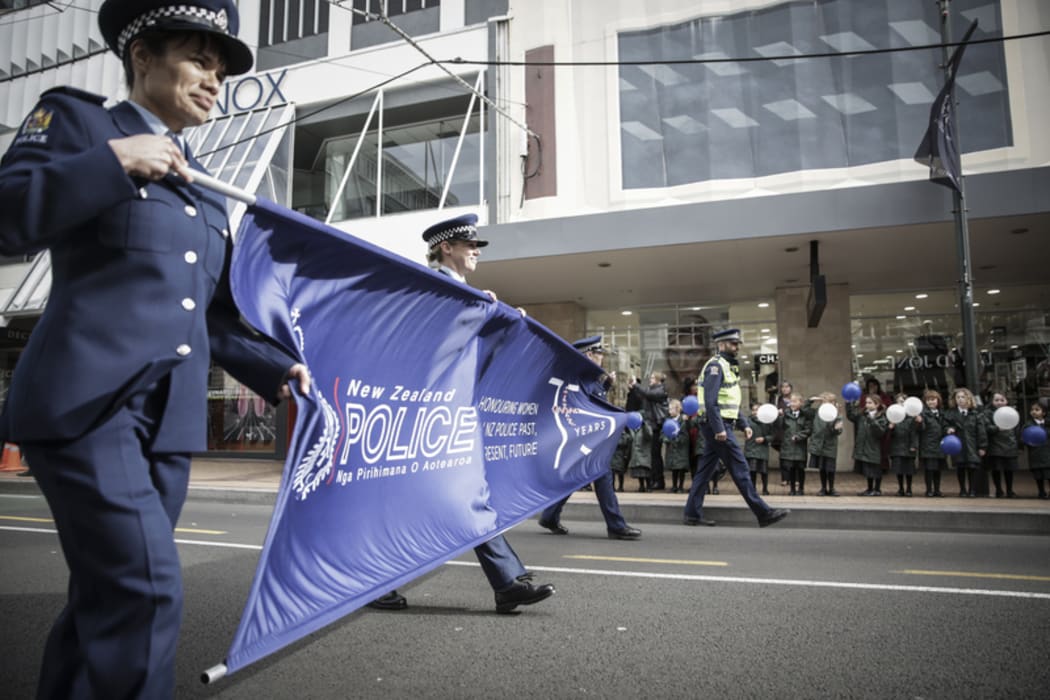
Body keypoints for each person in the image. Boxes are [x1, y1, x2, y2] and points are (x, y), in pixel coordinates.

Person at [0, 3, 312, 696]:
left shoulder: (203, 188)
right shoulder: (82, 124)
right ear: (142, 55)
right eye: (200, 59)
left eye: (221, 70)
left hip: (166, 425)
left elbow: (214, 318)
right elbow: (6, 217)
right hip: (88, 406)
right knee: (142, 590)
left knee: (106, 600)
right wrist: (112, 163)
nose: (214, 80)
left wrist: (279, 368)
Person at [370, 213, 556, 615]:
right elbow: (434, 343)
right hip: (425, 415)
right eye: (470, 245)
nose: (476, 251)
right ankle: (378, 580)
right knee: (434, 497)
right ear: (446, 247)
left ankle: (506, 584)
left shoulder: (465, 294)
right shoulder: (435, 288)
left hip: (451, 415)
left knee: (465, 495)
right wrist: (484, 314)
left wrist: (503, 323)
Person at [537, 335, 642, 540]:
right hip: (583, 438)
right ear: (588, 355)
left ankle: (550, 516)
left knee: (575, 477)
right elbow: (586, 408)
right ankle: (616, 526)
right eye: (599, 353)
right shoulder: (581, 378)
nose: (602, 357)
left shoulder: (588, 378)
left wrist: (606, 385)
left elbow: (593, 400)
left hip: (586, 439)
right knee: (602, 475)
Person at [683, 329, 789, 528]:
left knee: (704, 472)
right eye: (733, 344)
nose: (737, 347)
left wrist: (744, 424)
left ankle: (691, 514)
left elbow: (730, 402)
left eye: (737, 344)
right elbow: (711, 401)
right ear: (721, 345)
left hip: (720, 424)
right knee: (740, 467)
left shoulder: (728, 366)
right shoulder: (715, 366)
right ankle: (763, 513)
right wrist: (719, 429)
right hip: (717, 425)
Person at [629, 371, 670, 490]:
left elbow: (647, 394)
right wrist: (634, 388)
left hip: (656, 425)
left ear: (658, 380)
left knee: (655, 454)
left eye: (652, 378)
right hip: (650, 424)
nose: (650, 379)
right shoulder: (652, 390)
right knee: (651, 453)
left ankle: (658, 480)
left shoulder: (660, 390)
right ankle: (652, 479)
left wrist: (636, 385)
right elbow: (644, 396)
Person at [944, 387, 985, 498]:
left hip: (972, 445)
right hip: (957, 444)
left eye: (963, 397)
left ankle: (972, 490)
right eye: (958, 397)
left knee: (972, 467)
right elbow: (945, 425)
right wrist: (948, 429)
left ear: (968, 398)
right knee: (960, 467)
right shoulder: (950, 414)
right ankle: (962, 489)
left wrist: (982, 446)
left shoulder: (976, 414)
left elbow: (981, 431)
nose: (960, 399)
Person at [847, 394, 888, 496]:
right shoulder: (862, 414)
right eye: (866, 402)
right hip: (865, 445)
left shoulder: (882, 416)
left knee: (876, 469)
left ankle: (877, 489)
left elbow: (880, 432)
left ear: (877, 404)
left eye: (870, 403)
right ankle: (869, 488)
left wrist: (872, 421)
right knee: (868, 469)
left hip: (875, 447)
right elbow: (851, 416)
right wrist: (848, 404)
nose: (867, 405)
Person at [982, 392, 1020, 498]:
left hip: (1010, 445)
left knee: (1009, 470)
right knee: (996, 469)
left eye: (1002, 400)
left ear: (1006, 401)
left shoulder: (1012, 412)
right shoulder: (987, 413)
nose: (999, 402)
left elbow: (1016, 429)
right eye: (996, 400)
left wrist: (1016, 442)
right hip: (995, 445)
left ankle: (1010, 490)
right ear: (992, 401)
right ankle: (998, 490)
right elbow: (986, 428)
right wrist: (997, 428)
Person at [808, 392, 843, 496]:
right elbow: (805, 410)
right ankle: (823, 488)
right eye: (824, 401)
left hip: (830, 445)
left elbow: (838, 430)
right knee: (822, 468)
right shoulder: (817, 412)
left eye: (830, 401)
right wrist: (810, 401)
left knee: (830, 468)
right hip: (819, 444)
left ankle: (831, 488)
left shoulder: (836, 414)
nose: (826, 404)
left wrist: (836, 429)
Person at [914, 389, 948, 497]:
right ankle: (929, 490)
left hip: (940, 445)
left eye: (933, 399)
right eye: (928, 400)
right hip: (927, 446)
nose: (931, 402)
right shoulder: (923, 414)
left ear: (938, 400)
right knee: (929, 469)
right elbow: (921, 429)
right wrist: (919, 422)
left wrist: (948, 429)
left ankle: (937, 490)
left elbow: (945, 426)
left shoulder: (942, 413)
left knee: (938, 470)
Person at [777, 392, 810, 495]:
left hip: (800, 446)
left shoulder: (805, 415)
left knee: (800, 468)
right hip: (789, 445)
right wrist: (780, 416)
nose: (793, 404)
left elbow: (808, 430)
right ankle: (792, 489)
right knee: (790, 468)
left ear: (801, 403)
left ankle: (801, 488)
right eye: (791, 401)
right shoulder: (786, 414)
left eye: (795, 401)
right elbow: (780, 426)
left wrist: (799, 436)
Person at [887, 393, 919, 496]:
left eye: (903, 401)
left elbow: (914, 433)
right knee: (899, 470)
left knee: (909, 470)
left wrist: (914, 445)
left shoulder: (912, 417)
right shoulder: (892, 417)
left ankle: (909, 489)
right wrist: (890, 428)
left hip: (909, 447)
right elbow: (888, 435)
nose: (901, 403)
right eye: (899, 401)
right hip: (896, 447)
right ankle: (900, 488)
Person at [663, 398, 692, 494]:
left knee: (681, 468)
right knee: (674, 469)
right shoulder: (668, 421)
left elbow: (685, 435)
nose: (669, 411)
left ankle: (680, 486)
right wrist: (666, 439)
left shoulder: (683, 421)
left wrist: (676, 440)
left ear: (678, 409)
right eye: (669, 409)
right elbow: (663, 433)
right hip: (672, 448)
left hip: (681, 449)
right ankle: (674, 485)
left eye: (671, 409)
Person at [1024, 399, 1050, 499]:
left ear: (1044, 413)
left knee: (1048, 473)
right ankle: (1041, 491)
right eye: (1032, 410)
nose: (1034, 411)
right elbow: (1023, 437)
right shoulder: (1028, 425)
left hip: (1047, 452)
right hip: (1035, 453)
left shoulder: (1047, 424)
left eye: (1037, 409)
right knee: (1038, 475)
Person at [744, 402, 772, 495]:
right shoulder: (747, 421)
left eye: (757, 410)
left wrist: (765, 439)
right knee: (752, 471)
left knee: (764, 471)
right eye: (753, 410)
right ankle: (753, 489)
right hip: (751, 448)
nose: (755, 412)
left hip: (763, 449)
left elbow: (772, 435)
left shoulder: (767, 421)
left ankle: (765, 489)